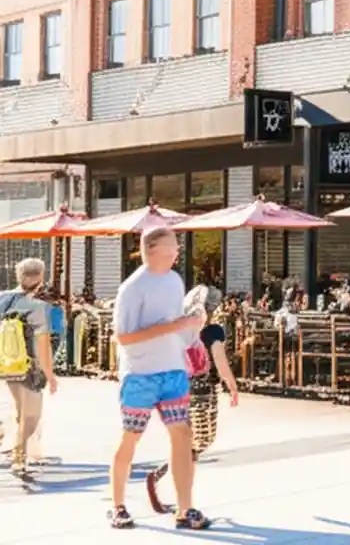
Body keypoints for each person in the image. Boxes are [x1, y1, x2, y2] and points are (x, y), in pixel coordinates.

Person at [108, 227, 210, 530]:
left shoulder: (175, 280)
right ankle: (118, 505)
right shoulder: (132, 287)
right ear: (149, 249)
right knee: (131, 438)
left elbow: (175, 324)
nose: (177, 251)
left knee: (183, 435)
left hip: (172, 370)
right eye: (170, 247)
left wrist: (193, 329)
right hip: (140, 373)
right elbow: (124, 337)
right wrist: (175, 325)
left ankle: (185, 508)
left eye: (176, 246)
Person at [146, 286, 239, 514]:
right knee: (201, 441)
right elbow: (219, 359)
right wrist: (232, 385)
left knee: (186, 441)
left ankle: (174, 489)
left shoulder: (182, 326)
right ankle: (174, 490)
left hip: (180, 389)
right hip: (203, 391)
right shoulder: (213, 330)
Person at [0, 258, 57, 476]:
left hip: (8, 363)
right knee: (32, 415)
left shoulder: (3, 298)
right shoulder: (39, 306)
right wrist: (50, 375)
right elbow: (43, 346)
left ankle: (21, 451)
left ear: (18, 276)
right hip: (30, 366)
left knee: (19, 408)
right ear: (41, 277)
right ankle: (18, 455)